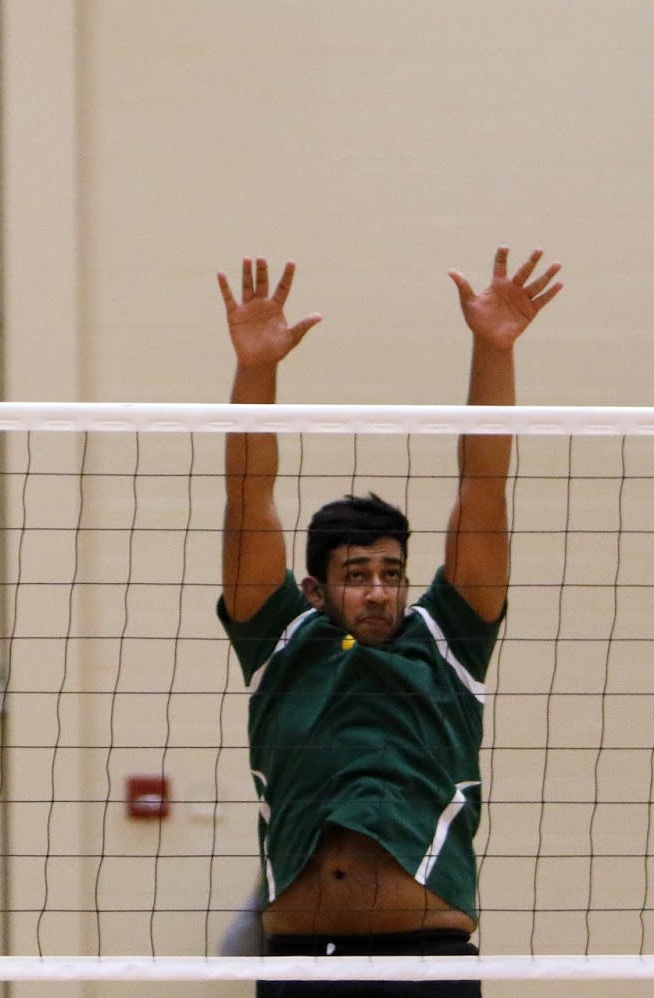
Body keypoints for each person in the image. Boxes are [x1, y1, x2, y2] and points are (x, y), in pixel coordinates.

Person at [216, 249, 562, 996]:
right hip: (300, 965)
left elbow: (483, 483)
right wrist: (256, 370)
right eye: (356, 575)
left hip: (425, 962)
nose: (378, 592)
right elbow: (249, 495)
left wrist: (493, 348)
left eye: (391, 573)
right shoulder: (280, 640)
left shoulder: (447, 640)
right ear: (314, 588)